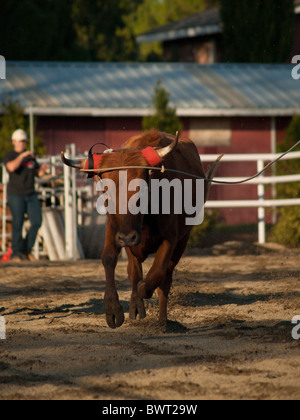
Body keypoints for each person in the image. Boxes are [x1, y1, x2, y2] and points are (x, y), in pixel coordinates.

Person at [3, 129, 48, 261]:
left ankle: (26, 249)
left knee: (36, 221)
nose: (23, 144)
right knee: (18, 222)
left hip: (31, 193)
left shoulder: (31, 157)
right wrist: (22, 156)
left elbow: (38, 173)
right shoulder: (10, 155)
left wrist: (42, 170)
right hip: (16, 194)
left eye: (24, 141)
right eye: (20, 141)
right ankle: (16, 253)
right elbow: (11, 168)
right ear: (14, 142)